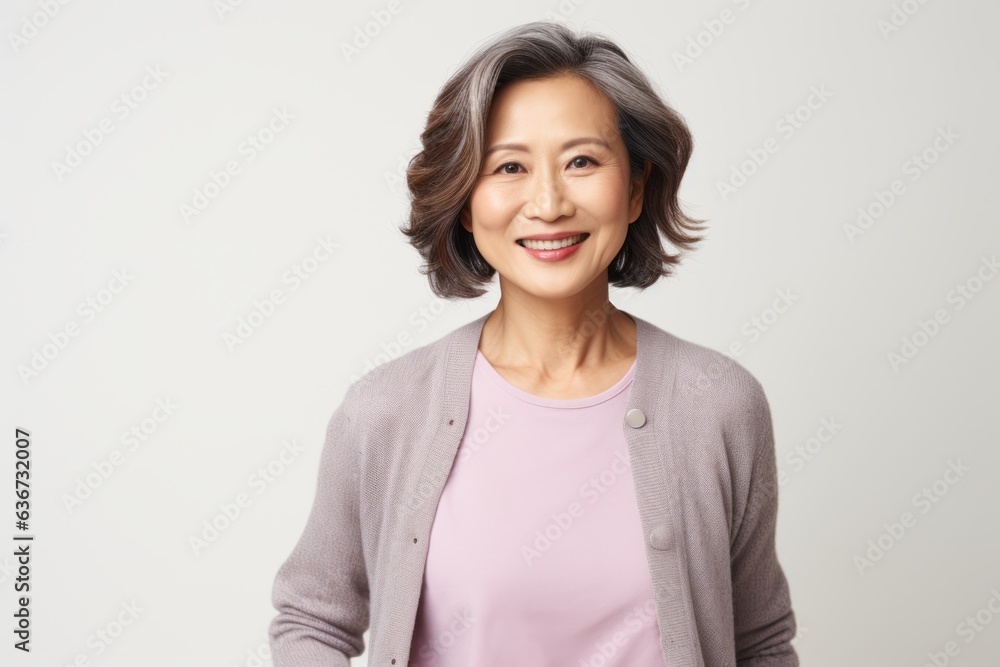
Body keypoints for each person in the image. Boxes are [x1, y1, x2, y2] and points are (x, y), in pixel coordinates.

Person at [268, 20, 799, 667]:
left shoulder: (718, 404)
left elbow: (761, 642)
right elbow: (310, 618)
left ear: (634, 188)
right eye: (510, 167)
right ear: (466, 201)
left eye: (581, 161)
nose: (547, 203)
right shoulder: (386, 410)